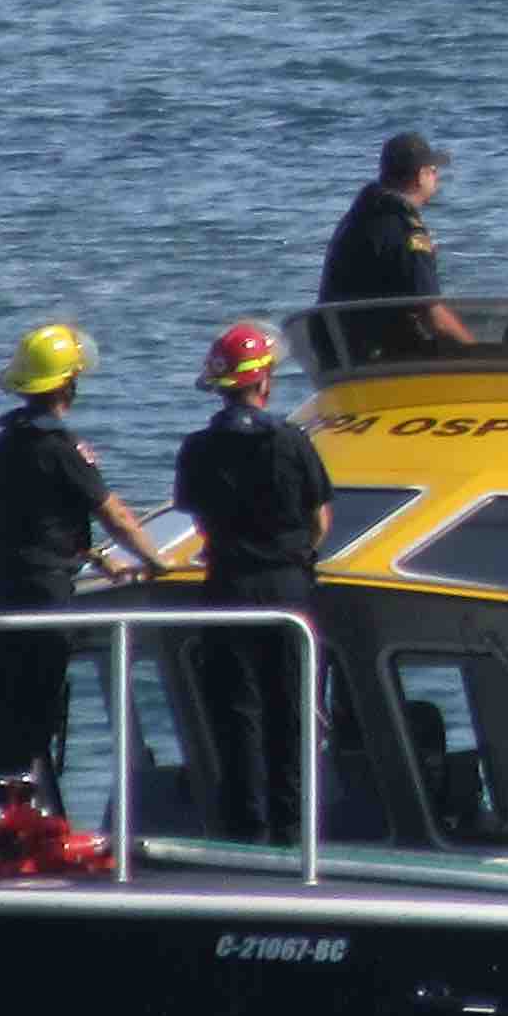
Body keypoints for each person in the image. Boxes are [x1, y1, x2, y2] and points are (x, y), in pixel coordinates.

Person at [0, 322, 167, 806]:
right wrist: (155, 560)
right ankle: (21, 805)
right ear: (67, 385)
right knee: (37, 701)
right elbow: (114, 513)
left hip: (1, 585)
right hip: (45, 592)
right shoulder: (61, 449)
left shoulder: (2, 446)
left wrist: (96, 557)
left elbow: (34, 521)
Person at [174, 321, 337, 843]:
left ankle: (247, 830)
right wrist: (298, 555)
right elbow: (321, 520)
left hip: (228, 590)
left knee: (237, 714)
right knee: (291, 711)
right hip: (288, 590)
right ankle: (293, 831)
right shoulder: (292, 442)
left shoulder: (197, 449)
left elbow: (199, 520)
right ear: (264, 381)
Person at [322, 132, 464, 352]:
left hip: (339, 351)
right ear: (419, 177)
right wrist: (480, 351)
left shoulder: (359, 217)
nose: (437, 178)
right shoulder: (406, 231)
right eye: (433, 172)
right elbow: (433, 315)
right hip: (378, 356)